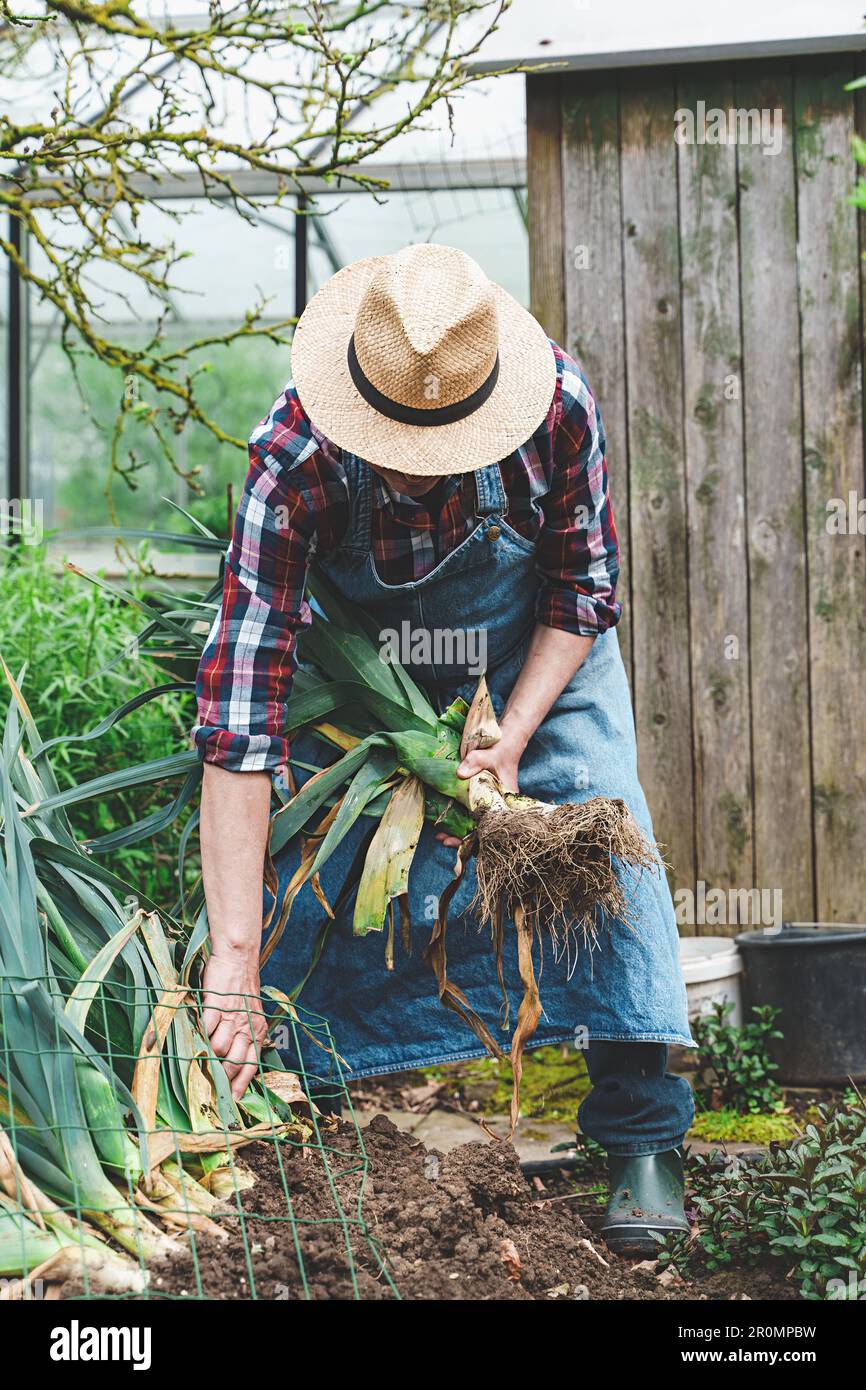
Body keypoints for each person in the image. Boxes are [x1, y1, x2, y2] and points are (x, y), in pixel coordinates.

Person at [194, 243, 694, 1254]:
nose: (423, 470)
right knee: (308, 884)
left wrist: (511, 734)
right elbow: (243, 715)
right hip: (371, 680)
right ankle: (317, 1132)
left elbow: (581, 591)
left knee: (603, 838)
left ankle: (643, 1139)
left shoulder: (554, 401)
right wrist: (232, 954)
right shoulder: (291, 459)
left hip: (536, 662)